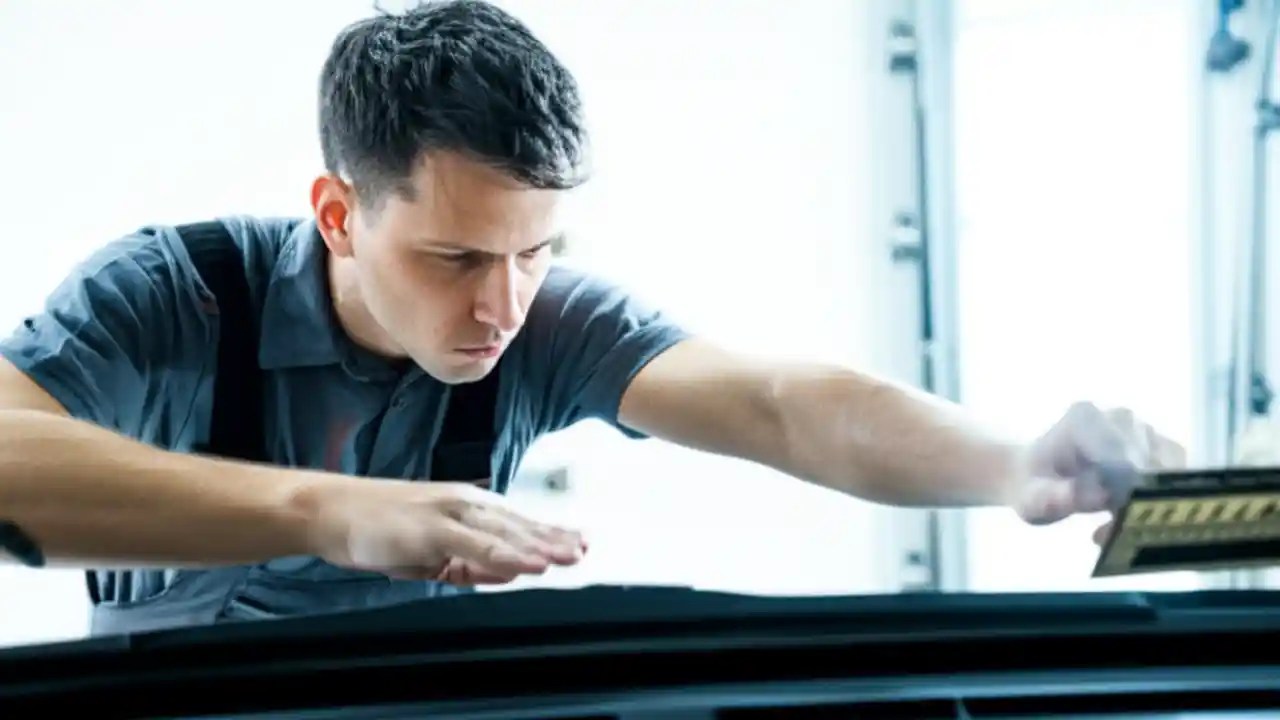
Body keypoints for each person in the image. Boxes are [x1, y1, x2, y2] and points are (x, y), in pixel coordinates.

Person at [0, 0, 1183, 635]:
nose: (503, 303)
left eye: (536, 251)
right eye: (456, 255)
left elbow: (778, 406)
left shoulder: (543, 319)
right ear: (337, 211)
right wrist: (335, 512)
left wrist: (1016, 461)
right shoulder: (168, 295)